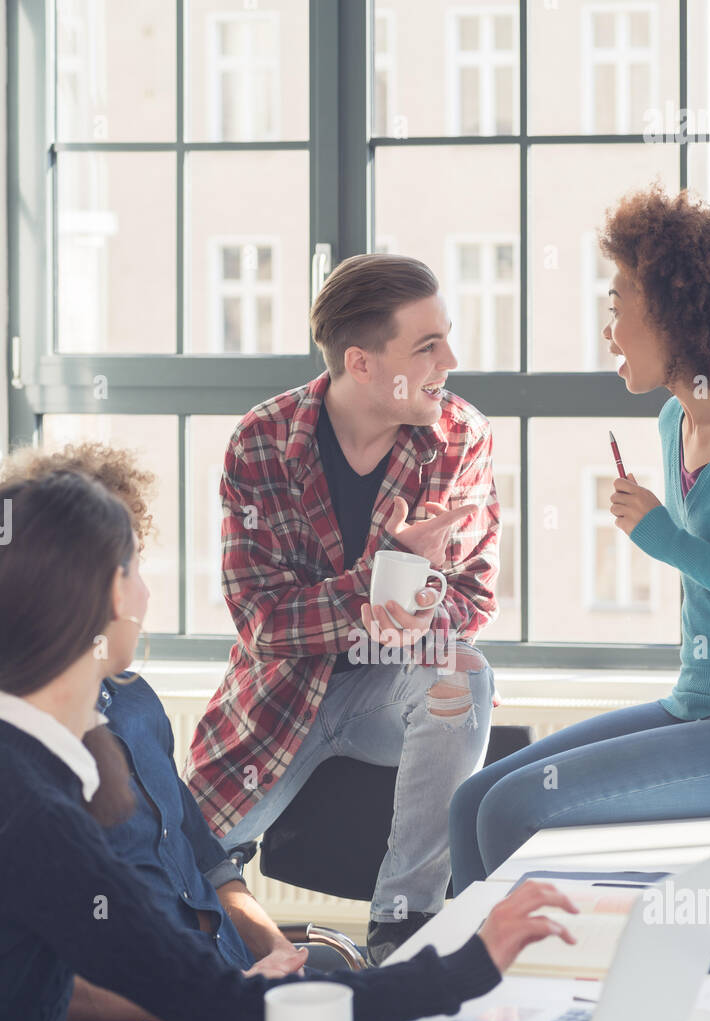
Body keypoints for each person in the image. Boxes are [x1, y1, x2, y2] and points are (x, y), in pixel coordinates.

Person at [0, 466, 578, 1021]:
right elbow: (233, 1017)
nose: (146, 593)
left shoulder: (3, 760)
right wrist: (463, 968)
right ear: (105, 601)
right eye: (135, 570)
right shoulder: (31, 810)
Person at [450, 186, 710, 890]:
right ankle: (470, 984)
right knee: (471, 800)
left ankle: (518, 982)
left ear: (674, 317)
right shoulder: (673, 423)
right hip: (699, 702)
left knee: (511, 810)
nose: (608, 329)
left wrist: (669, 541)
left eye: (616, 305)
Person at [182, 254, 502, 963]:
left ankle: (404, 922)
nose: (449, 359)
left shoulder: (458, 437)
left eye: (445, 338)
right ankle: (249, 980)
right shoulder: (262, 442)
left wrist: (422, 613)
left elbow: (474, 595)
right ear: (361, 363)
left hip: (391, 692)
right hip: (278, 700)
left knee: (463, 671)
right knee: (176, 858)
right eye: (426, 346)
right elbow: (262, 623)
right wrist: (376, 585)